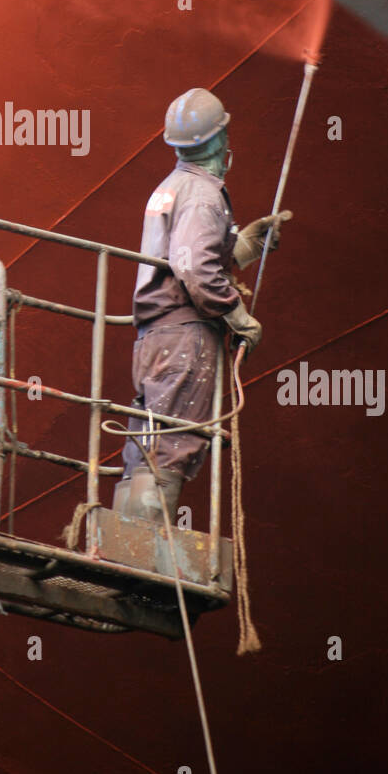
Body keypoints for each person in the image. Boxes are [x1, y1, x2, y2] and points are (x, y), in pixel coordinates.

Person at [114, 87, 290, 523]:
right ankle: (146, 552)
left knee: (148, 439)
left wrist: (242, 245)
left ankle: (124, 538)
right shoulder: (202, 194)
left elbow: (183, 254)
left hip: (154, 335)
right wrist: (237, 314)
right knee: (174, 443)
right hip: (185, 337)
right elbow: (193, 268)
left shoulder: (171, 188)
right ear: (218, 139)